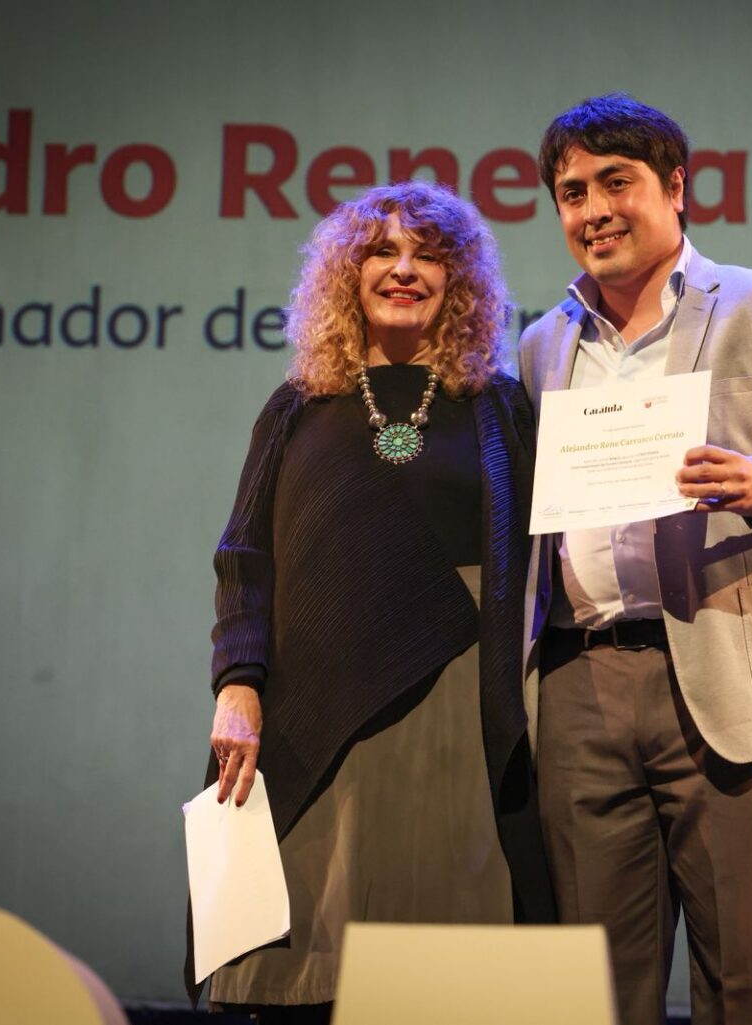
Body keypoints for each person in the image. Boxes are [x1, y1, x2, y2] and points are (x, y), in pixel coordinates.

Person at [518, 94, 752, 1025]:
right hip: (582, 689)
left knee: (746, 988)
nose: (591, 209)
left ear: (676, 186)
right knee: (593, 993)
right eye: (570, 192)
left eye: (615, 182)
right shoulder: (540, 344)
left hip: (730, 680)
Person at [198, 181, 553, 1022]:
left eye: (429, 255)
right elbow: (244, 555)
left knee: (451, 961)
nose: (404, 270)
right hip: (318, 709)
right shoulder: (298, 408)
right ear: (345, 277)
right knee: (324, 946)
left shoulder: (499, 407)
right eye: (381, 253)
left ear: (459, 281)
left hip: (459, 710)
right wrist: (237, 683)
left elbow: (550, 548)